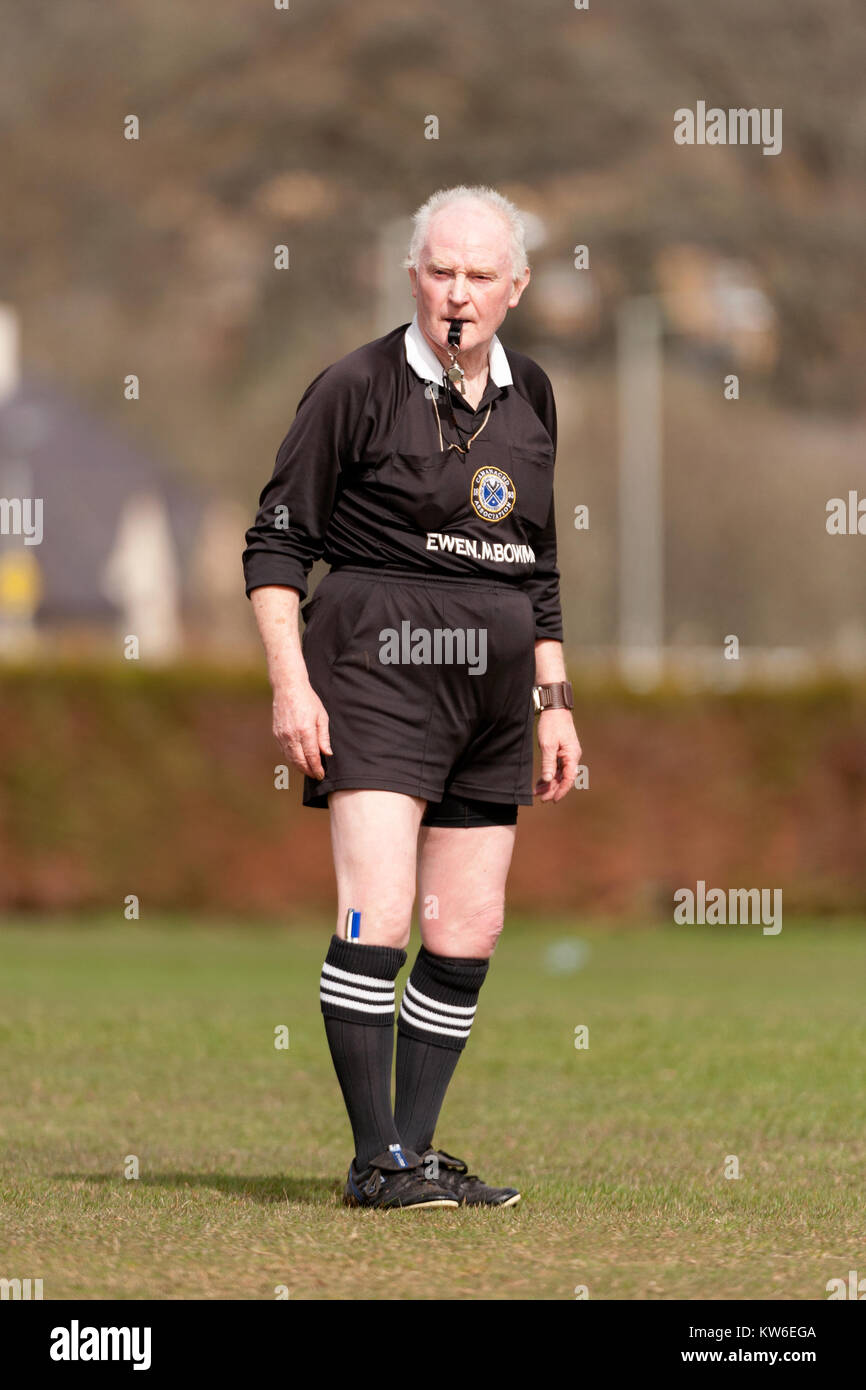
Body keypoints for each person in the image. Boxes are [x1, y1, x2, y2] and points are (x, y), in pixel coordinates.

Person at [242, 184, 582, 1210]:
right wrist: (289, 681)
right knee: (377, 912)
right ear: (411, 276)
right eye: (440, 269)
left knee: (466, 924)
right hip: (375, 671)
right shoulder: (353, 385)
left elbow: (539, 566)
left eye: (480, 274)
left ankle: (413, 1156)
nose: (458, 290)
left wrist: (555, 699)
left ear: (515, 289)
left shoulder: (536, 397)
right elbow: (275, 543)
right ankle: (374, 1159)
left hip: (492, 697)